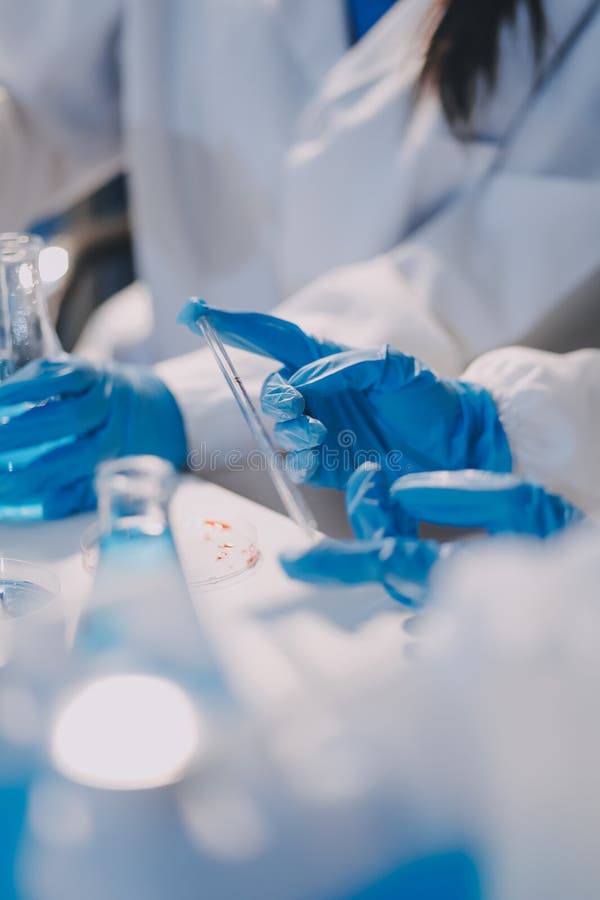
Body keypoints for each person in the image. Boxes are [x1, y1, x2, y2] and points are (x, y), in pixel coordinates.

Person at [0, 0, 599, 516]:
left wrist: (180, 409)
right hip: (141, 454)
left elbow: (458, 290)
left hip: (423, 509)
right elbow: (24, 99)